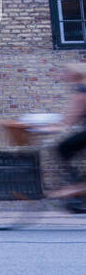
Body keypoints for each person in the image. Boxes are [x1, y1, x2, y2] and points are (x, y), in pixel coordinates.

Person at [56, 62, 86, 195]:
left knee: (63, 148)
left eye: (66, 73)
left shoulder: (81, 92)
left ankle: (78, 187)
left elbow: (69, 121)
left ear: (74, 75)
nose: (64, 75)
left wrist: (45, 127)